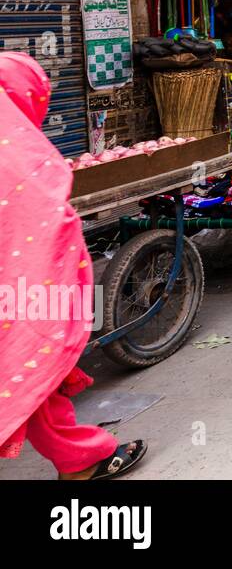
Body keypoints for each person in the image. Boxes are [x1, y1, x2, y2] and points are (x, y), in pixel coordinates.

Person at [0, 52, 147, 479]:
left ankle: (80, 458)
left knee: (29, 377)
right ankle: (80, 459)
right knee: (26, 364)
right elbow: (37, 218)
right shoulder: (15, 148)